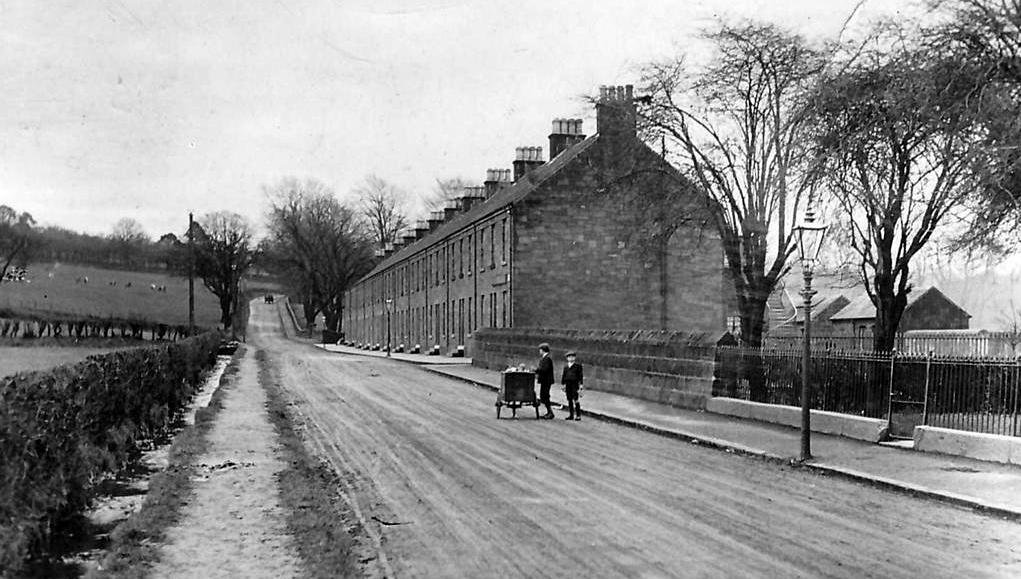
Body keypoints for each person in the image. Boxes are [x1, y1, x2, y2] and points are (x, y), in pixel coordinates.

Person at [561, 351, 583, 420]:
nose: (571, 358)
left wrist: (581, 385)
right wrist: (563, 384)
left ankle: (578, 415)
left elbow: (580, 376)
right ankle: (571, 415)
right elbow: (564, 375)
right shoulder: (566, 366)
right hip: (568, 384)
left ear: (575, 358)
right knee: (569, 399)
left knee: (576, 399)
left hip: (575, 384)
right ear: (567, 358)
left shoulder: (578, 366)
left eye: (572, 357)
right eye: (569, 357)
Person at [536, 343, 555, 419]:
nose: (539, 351)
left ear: (543, 350)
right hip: (544, 380)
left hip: (547, 380)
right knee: (543, 396)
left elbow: (545, 369)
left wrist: (536, 370)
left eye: (540, 350)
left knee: (545, 396)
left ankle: (550, 412)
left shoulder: (547, 358)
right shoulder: (544, 358)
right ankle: (549, 412)